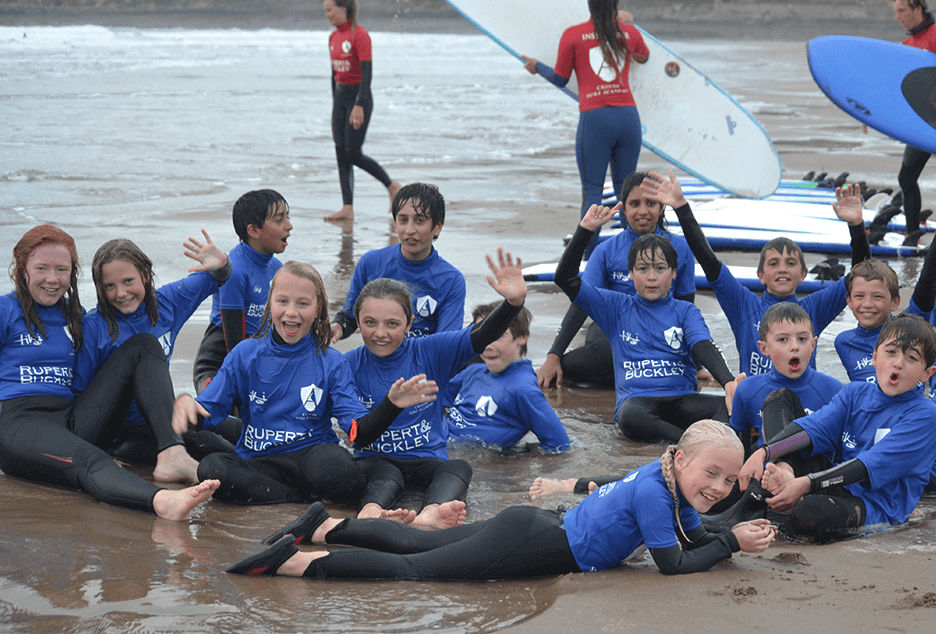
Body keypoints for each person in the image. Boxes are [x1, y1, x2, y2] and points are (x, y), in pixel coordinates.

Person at [225, 420, 775, 580]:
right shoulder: (661, 494)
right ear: (681, 458)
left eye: (729, 481)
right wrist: (731, 541)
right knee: (414, 569)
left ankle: (321, 529)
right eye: (714, 474)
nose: (721, 488)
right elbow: (674, 563)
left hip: (535, 521)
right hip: (537, 540)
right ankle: (294, 562)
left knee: (418, 540)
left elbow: (696, 535)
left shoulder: (662, 477)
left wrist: (728, 528)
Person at [173, 261, 437, 507]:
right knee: (212, 469)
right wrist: (187, 403)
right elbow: (207, 414)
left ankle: (299, 493)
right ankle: (296, 498)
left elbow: (357, 433)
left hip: (312, 459)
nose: (291, 313)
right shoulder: (245, 354)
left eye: (302, 303)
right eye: (282, 301)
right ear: (270, 304)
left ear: (318, 309)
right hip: (259, 462)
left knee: (335, 467)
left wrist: (390, 405)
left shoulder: (331, 361)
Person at [0, 224, 219, 520]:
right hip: (20, 422)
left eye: (61, 270)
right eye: (42, 268)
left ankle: (172, 452)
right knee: (90, 460)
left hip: (72, 419)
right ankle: (163, 502)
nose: (52, 279)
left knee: (143, 344)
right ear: (21, 267)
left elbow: (94, 382)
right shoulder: (5, 310)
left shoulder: (74, 316)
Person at [343, 249, 526, 529]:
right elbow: (358, 436)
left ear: (409, 323)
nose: (380, 333)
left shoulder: (431, 351)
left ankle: (432, 514)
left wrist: (512, 305)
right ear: (358, 323)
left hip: (425, 459)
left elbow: (480, 336)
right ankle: (370, 512)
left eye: (392, 324)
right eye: (370, 323)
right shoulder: (347, 365)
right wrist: (392, 405)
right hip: (376, 461)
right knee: (385, 473)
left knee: (458, 467)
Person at [642, 171, 872, 377]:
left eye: (790, 263)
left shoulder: (814, 308)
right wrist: (682, 207)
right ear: (760, 275)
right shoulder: (743, 304)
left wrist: (856, 226)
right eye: (774, 263)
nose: (782, 268)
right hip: (755, 407)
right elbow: (708, 260)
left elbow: (860, 277)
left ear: (803, 274)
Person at [732, 314, 936, 542]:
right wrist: (765, 452)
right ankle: (783, 476)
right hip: (830, 480)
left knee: (808, 513)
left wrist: (807, 483)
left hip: (872, 505)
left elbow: (868, 466)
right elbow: (813, 429)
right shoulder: (854, 392)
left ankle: (770, 505)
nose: (898, 363)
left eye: (911, 358)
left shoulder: (925, 414)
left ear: (927, 373)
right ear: (875, 357)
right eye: (891, 352)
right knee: (780, 398)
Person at [554, 203, 737, 442]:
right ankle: (690, 444)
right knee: (629, 417)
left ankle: (706, 446)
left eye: (660, 268)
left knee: (730, 407)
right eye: (643, 269)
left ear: (673, 273)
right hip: (639, 403)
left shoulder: (686, 311)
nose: (651, 277)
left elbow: (702, 345)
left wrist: (728, 382)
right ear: (631, 274)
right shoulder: (616, 307)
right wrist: (585, 231)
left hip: (682, 399)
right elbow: (565, 279)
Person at [75, 233, 231, 462]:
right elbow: (80, 393)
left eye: (128, 281)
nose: (121, 293)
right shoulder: (94, 327)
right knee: (212, 445)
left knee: (232, 428)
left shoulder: (168, 302)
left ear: (145, 275)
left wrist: (222, 263)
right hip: (122, 432)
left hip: (163, 415)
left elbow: (218, 277)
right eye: (109, 286)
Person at [538, 171, 696, 389]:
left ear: (661, 208)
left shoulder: (680, 249)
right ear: (624, 208)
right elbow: (582, 302)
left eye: (650, 203)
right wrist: (554, 355)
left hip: (659, 334)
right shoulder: (606, 250)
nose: (642, 211)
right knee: (582, 363)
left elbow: (687, 306)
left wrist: (693, 359)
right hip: (610, 338)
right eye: (634, 203)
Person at [522, 0, 649, 257]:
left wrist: (537, 67)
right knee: (625, 192)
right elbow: (643, 57)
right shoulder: (629, 32)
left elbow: (560, 78)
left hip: (595, 119)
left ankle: (589, 260)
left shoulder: (573, 34)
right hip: (628, 118)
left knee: (593, 192)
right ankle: (635, 257)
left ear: (589, 6)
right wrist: (626, 24)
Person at [331, 183, 466, 341]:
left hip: (423, 362)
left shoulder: (451, 280)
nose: (409, 230)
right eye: (403, 220)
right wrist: (337, 327)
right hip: (377, 357)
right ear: (395, 224)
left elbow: (445, 344)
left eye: (420, 220)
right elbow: (349, 318)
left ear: (437, 227)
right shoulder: (370, 263)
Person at [192, 189, 291, 394]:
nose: (289, 226)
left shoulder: (277, 268)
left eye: (288, 218)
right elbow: (233, 337)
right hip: (219, 358)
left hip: (256, 352)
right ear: (254, 230)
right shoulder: (235, 270)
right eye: (280, 220)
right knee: (220, 418)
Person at [445, 301, 570, 453]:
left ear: (522, 337)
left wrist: (512, 464)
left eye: (498, 336)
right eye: (482, 336)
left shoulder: (523, 390)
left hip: (472, 460)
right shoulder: (472, 373)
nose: (488, 345)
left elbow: (560, 445)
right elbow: (435, 400)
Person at [322, 0, 401, 222]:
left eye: (329, 10)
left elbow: (367, 74)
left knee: (352, 153)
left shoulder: (360, 35)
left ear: (343, 8)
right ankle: (347, 208)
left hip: (359, 98)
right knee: (341, 153)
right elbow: (334, 75)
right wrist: (335, 106)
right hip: (339, 100)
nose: (327, 15)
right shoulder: (333, 38)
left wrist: (359, 105)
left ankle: (392, 185)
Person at [730, 303, 843, 456]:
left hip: (812, 473)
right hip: (768, 472)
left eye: (802, 339)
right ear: (764, 348)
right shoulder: (747, 390)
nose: (795, 346)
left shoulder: (833, 390)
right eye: (783, 340)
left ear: (813, 344)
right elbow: (740, 449)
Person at [835, 250, 936, 383]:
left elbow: (927, 282)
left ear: (894, 302)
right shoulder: (844, 342)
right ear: (849, 301)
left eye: (878, 297)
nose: (867, 304)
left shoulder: (910, 328)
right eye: (859, 296)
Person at [892, 0, 936, 245]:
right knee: (907, 178)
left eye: (902, 10)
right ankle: (912, 233)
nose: (898, 17)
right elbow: (898, 90)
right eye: (896, 11)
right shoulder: (907, 46)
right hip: (922, 125)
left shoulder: (935, 36)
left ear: (918, 9)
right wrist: (867, 113)